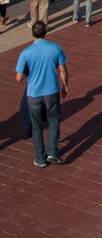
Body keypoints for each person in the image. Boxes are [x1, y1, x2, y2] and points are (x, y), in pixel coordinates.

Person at [15, 21, 68, 167]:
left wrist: (28, 71)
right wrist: (65, 86)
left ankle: (40, 158)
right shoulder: (55, 47)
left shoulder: (26, 52)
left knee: (36, 126)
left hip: (34, 94)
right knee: (53, 121)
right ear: (46, 32)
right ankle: (53, 152)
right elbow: (62, 69)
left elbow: (18, 78)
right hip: (52, 91)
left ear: (33, 33)